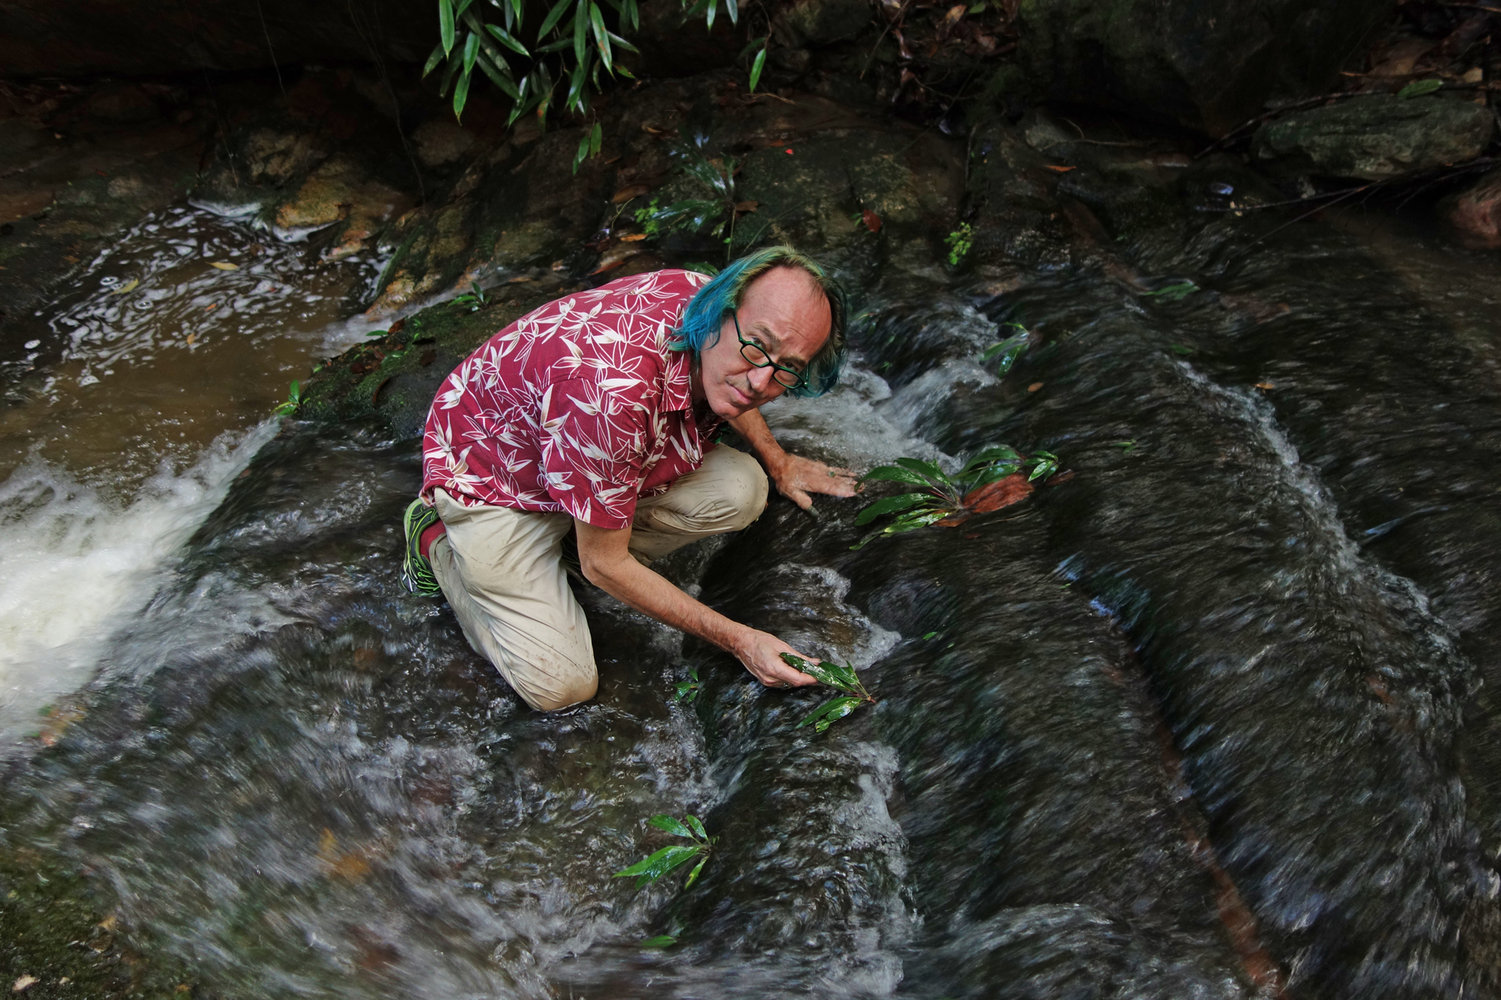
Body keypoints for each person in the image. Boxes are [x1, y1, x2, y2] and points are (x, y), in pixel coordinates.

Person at [400, 246, 858, 711]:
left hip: (581, 451)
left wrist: (778, 461)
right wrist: (743, 641)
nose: (761, 382)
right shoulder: (610, 395)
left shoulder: (708, 303)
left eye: (787, 368)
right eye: (757, 346)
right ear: (720, 312)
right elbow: (606, 564)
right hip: (493, 478)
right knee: (561, 688)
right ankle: (438, 540)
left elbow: (737, 383)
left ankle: (571, 548)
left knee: (744, 489)